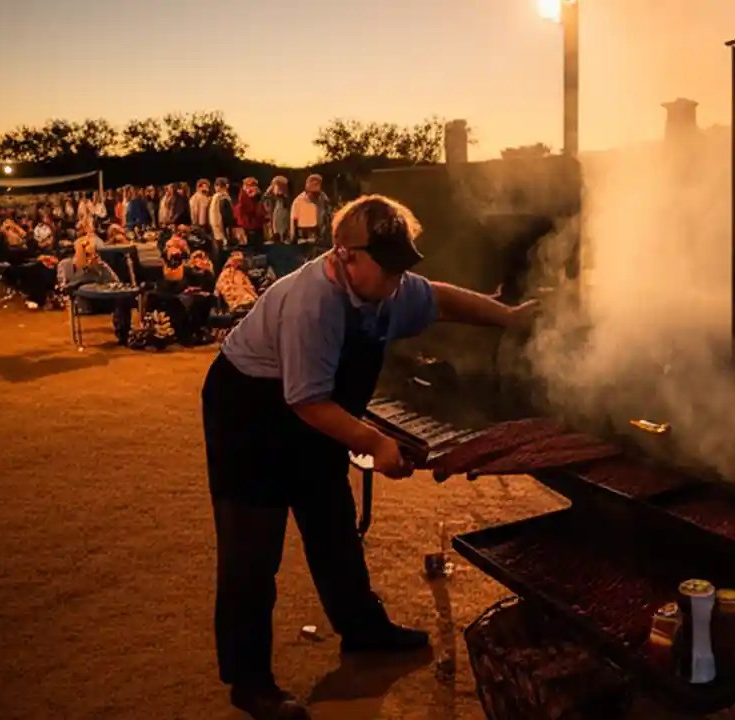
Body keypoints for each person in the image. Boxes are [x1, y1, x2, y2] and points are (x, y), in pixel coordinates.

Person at [201, 194, 537, 720]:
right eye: (389, 267)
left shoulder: (388, 287)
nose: (399, 281)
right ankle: (251, 682)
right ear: (345, 255)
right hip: (251, 410)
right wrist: (376, 443)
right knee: (252, 551)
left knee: (330, 518)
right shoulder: (313, 303)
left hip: (314, 405)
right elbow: (306, 400)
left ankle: (362, 629)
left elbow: (443, 300)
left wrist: (509, 317)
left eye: (404, 266)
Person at [289, 174, 331, 254]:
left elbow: (328, 217)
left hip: (321, 240)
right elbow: (294, 220)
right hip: (303, 241)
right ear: (307, 191)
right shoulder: (298, 201)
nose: (315, 196)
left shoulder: (324, 200)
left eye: (317, 193)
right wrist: (293, 238)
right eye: (313, 193)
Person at [235, 178, 267, 252]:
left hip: (255, 226)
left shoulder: (254, 197)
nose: (254, 188)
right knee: (252, 249)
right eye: (252, 185)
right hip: (250, 226)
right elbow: (250, 209)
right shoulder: (244, 197)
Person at [209, 177, 238, 251]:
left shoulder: (215, 197)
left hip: (215, 227)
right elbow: (226, 215)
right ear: (226, 186)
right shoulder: (223, 197)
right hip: (222, 228)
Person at [262, 176, 291, 244]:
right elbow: (265, 206)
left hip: (282, 228)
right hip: (272, 228)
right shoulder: (270, 198)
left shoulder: (285, 200)